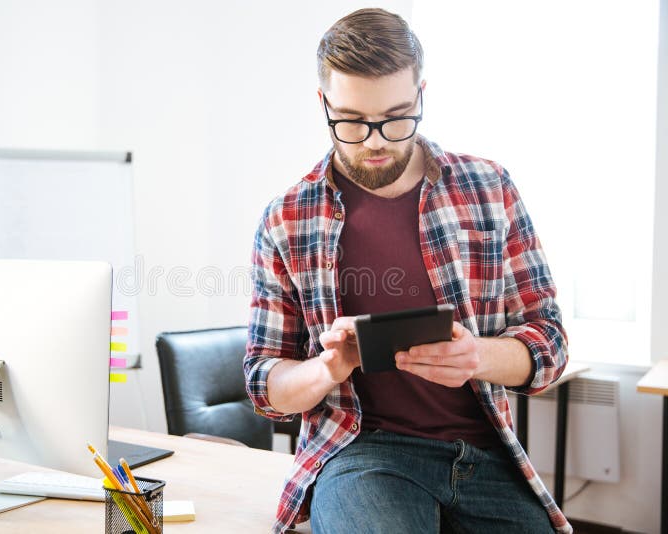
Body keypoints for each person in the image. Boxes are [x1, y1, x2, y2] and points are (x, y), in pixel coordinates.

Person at [244, 7, 571, 534]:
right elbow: (265, 384)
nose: (375, 141)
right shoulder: (288, 218)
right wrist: (327, 369)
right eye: (351, 121)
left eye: (396, 117)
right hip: (363, 452)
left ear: (421, 94)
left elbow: (550, 343)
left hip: (486, 454)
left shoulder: (489, 189)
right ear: (323, 103)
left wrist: (478, 356)